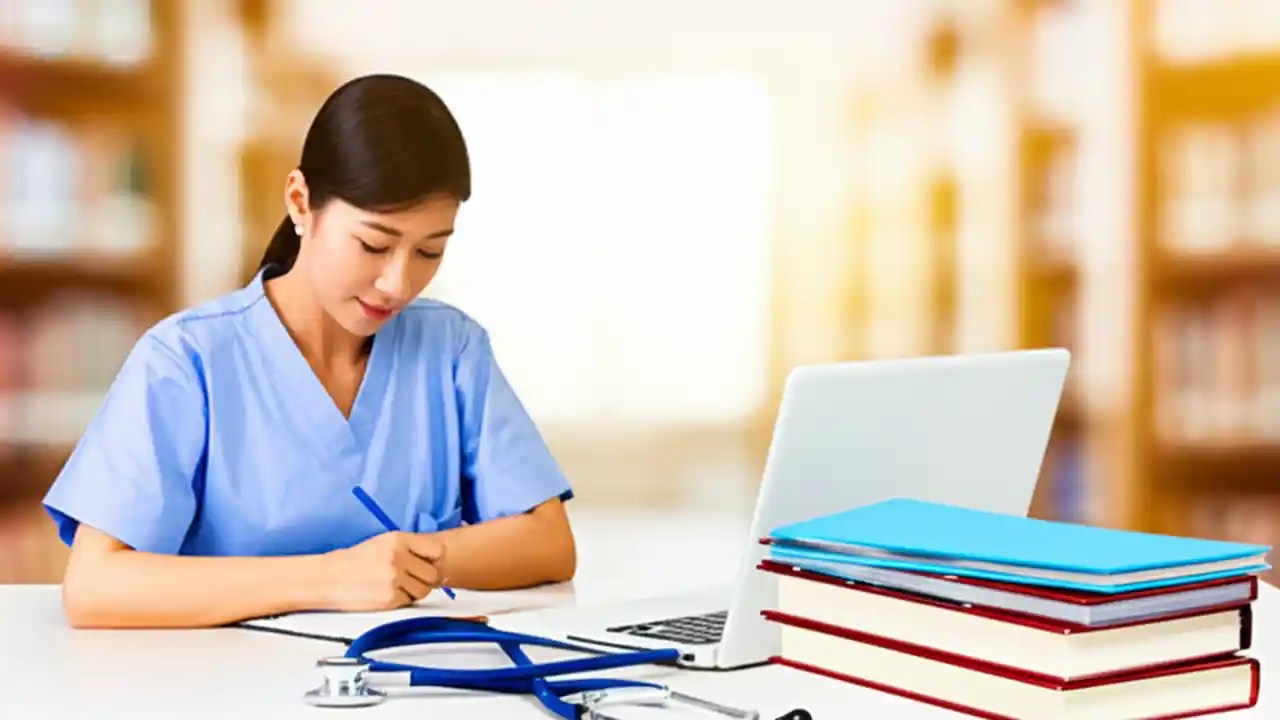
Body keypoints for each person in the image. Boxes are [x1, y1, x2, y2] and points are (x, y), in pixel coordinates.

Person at [41, 74, 577, 629]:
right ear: (301, 203)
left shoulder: (452, 349)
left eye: (429, 250)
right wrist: (334, 577)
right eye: (374, 244)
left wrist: (410, 562)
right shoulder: (185, 360)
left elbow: (549, 543)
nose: (398, 282)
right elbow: (95, 585)